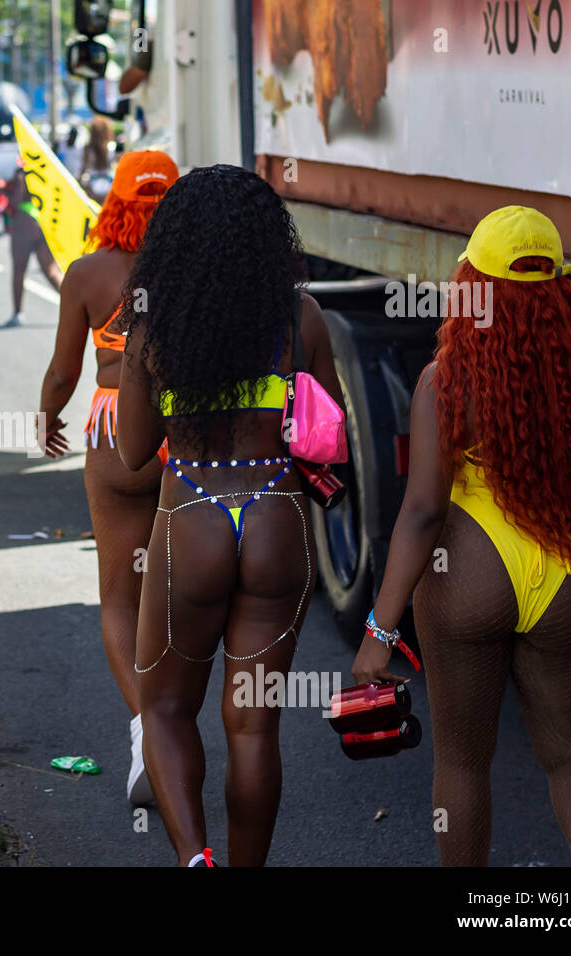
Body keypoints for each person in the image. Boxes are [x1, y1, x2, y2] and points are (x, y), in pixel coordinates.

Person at [350, 206, 571, 867]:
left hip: (470, 575)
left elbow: (422, 512)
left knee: (462, 761)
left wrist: (380, 631)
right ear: (561, 286)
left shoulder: (445, 381)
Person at [116, 165, 343, 866]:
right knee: (253, 728)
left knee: (164, 709)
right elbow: (328, 435)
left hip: (192, 514)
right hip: (277, 513)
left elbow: (130, 452)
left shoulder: (154, 330)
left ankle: (194, 859)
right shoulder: (298, 319)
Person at [38, 151, 178, 807]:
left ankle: (147, 737)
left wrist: (46, 415)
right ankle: (180, 732)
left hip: (115, 432)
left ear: (114, 202)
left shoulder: (89, 273)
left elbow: (65, 371)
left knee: (121, 597)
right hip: (189, 434)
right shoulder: (200, 268)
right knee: (185, 597)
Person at [0, 161, 63, 327]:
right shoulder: (45, 169)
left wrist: (2, 190)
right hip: (44, 223)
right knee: (51, 272)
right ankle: (79, 306)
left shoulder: (22, 173)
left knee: (19, 271)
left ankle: (17, 313)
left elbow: (16, 200)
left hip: (24, 226)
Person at [78, 115, 113, 203]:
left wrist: (79, 181)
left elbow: (84, 168)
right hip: (108, 182)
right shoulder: (111, 147)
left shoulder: (88, 149)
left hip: (92, 182)